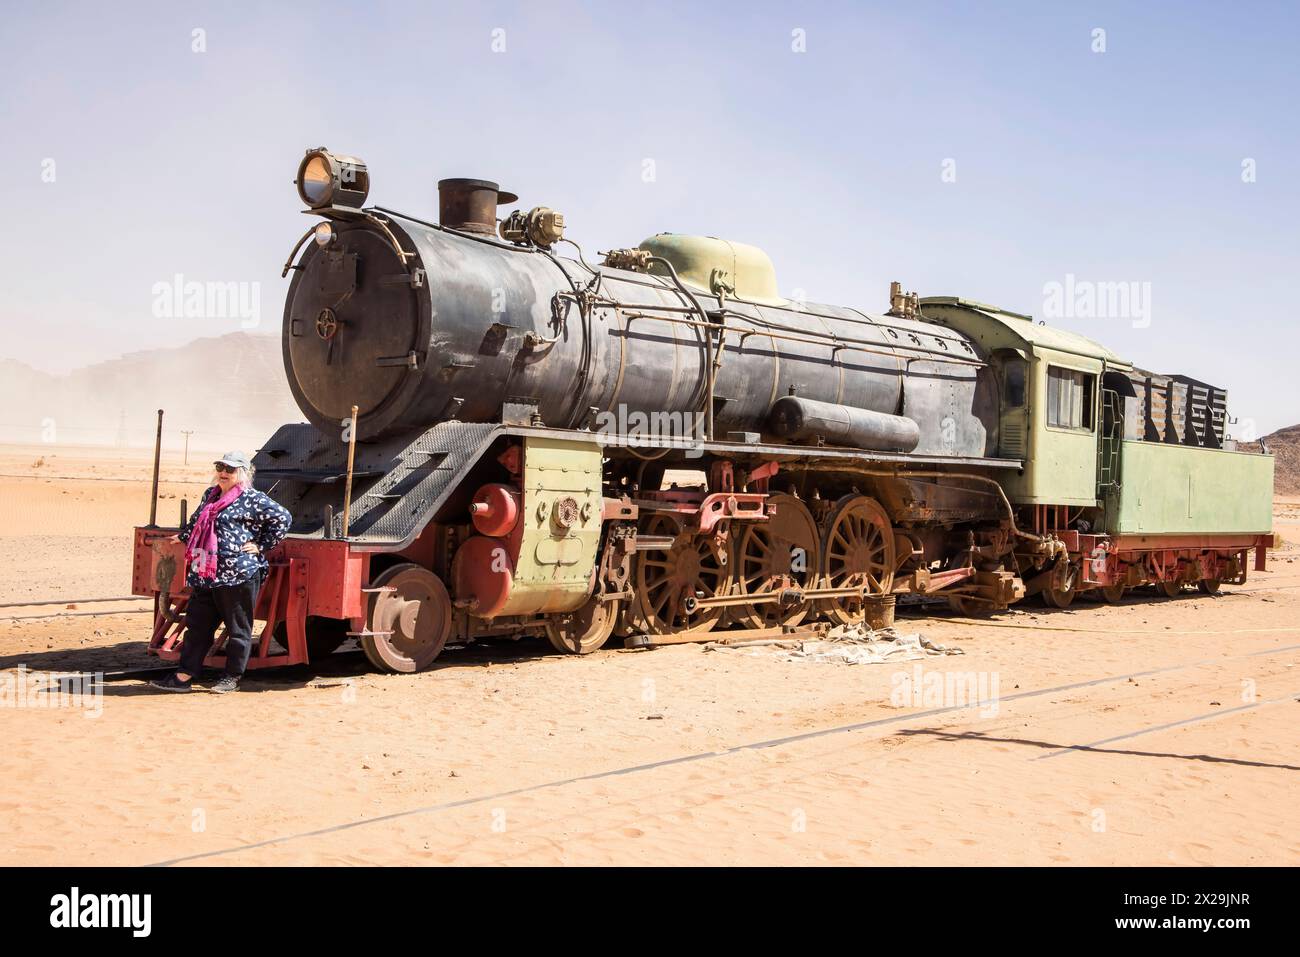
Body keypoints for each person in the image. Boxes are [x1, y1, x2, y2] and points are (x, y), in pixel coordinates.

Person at [148, 451, 292, 693]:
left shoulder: (253, 498)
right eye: (220, 467)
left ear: (242, 473)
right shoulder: (211, 495)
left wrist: (261, 545)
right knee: (198, 625)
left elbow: (283, 518)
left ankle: (231, 677)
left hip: (238, 573)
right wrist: (183, 537)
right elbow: (198, 521)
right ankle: (184, 676)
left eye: (230, 469)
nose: (224, 473)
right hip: (206, 571)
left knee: (238, 628)